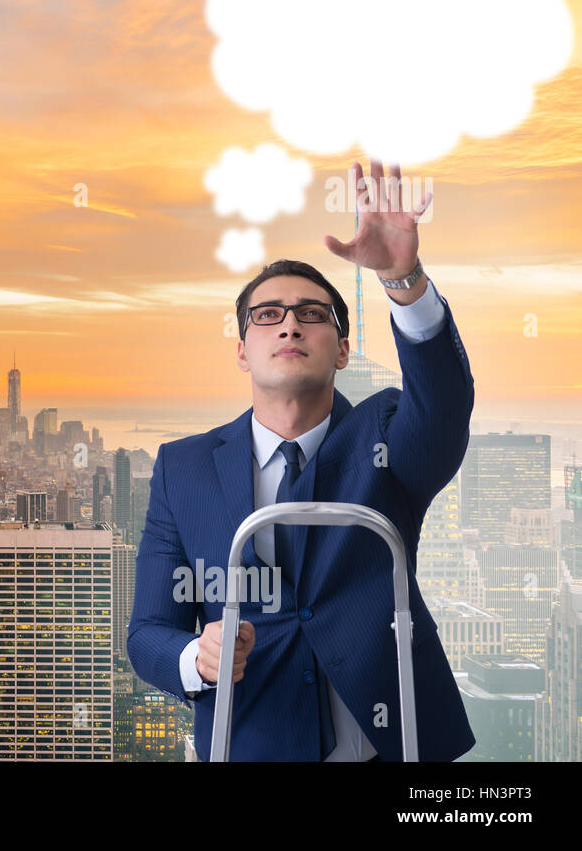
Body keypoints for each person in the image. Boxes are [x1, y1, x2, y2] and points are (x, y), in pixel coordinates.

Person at [126, 159, 475, 761]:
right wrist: (197, 658)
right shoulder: (181, 468)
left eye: (312, 314)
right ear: (243, 351)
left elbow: (444, 407)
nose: (290, 324)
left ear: (341, 350)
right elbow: (147, 633)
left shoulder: (385, 433)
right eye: (268, 315)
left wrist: (404, 280)